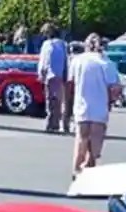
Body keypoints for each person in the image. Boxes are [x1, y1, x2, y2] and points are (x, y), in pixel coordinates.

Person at [68, 34, 120, 178]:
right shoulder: (106, 63)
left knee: (81, 137)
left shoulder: (77, 61)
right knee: (95, 140)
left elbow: (70, 83)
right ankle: (89, 166)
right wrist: (112, 100)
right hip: (99, 106)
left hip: (81, 104)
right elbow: (114, 87)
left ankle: (77, 168)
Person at [37, 24, 71, 133]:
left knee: (50, 100)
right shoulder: (62, 44)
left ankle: (51, 123)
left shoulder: (47, 44)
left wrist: (41, 74)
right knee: (60, 100)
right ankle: (61, 123)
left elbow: (43, 61)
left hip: (50, 75)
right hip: (60, 75)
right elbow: (66, 60)